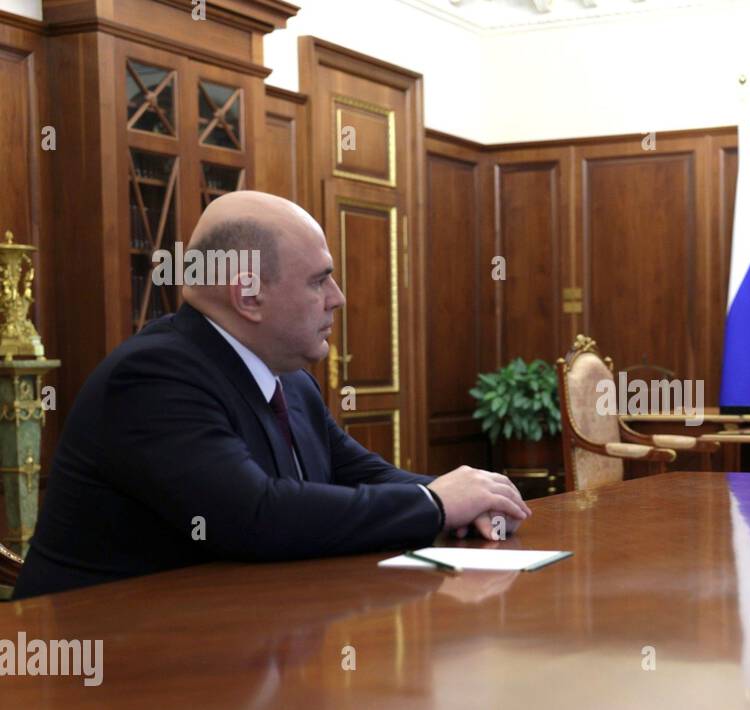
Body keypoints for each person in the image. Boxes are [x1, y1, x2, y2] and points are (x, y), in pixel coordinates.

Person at [14, 191, 529, 598]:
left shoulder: (289, 379)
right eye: (319, 281)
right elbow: (255, 516)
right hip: (112, 676)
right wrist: (434, 503)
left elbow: (360, 473)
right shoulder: (153, 378)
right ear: (249, 295)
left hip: (233, 648)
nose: (338, 299)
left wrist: (467, 497)